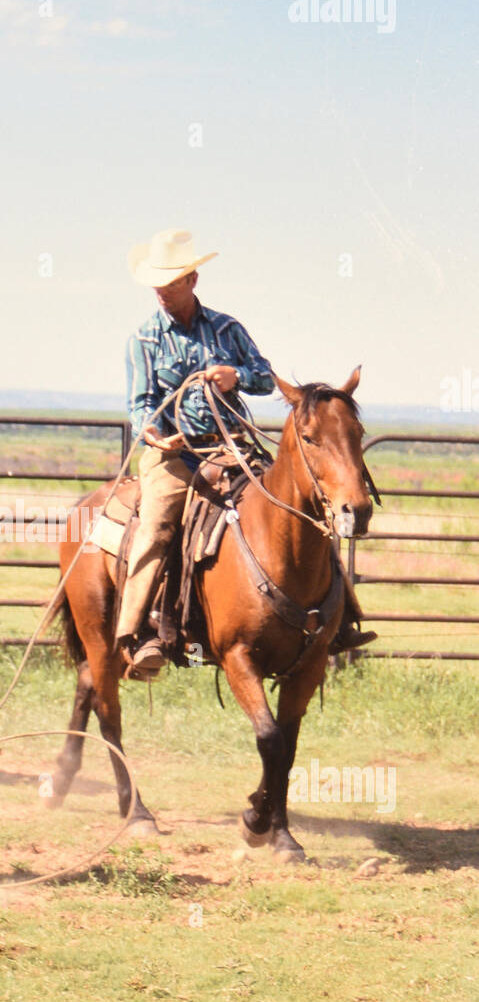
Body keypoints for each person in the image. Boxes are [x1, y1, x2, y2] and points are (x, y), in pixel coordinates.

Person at [116, 227, 374, 675]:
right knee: (158, 522)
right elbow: (140, 406)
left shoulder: (227, 329)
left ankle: (339, 616)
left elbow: (262, 377)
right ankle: (140, 630)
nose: (162, 291)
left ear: (192, 281)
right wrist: (155, 435)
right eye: (157, 283)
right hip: (175, 455)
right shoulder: (143, 340)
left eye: (171, 282)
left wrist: (236, 377)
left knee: (299, 505)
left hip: (231, 447)